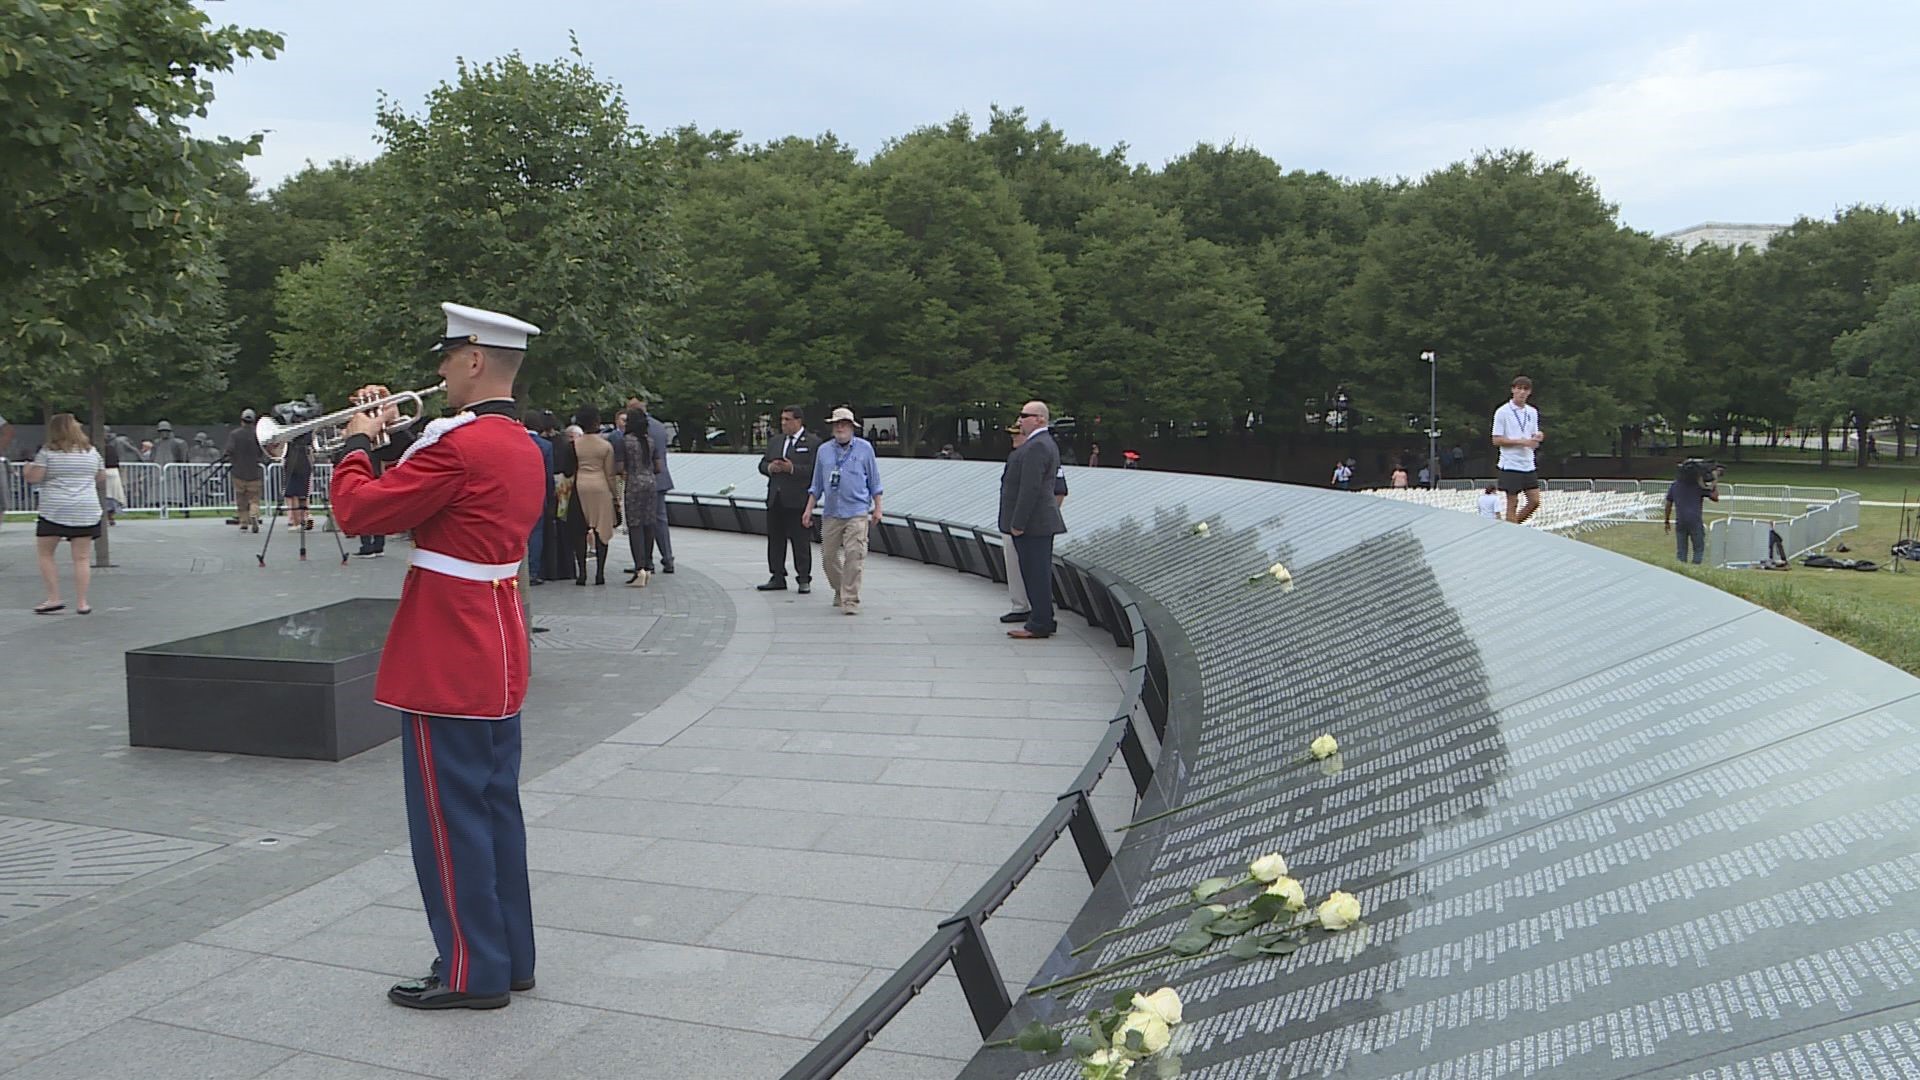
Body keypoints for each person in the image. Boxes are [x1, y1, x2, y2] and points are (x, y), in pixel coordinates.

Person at [329, 301, 546, 1011]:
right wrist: (392, 438)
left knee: (448, 820)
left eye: (448, 358)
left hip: (448, 645)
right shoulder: (519, 443)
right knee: (492, 808)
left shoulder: (457, 445)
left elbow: (361, 512)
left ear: (476, 358)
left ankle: (469, 970)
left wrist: (355, 447)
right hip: (498, 640)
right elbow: (436, 501)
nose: (441, 371)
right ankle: (508, 955)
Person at [802, 407, 883, 615]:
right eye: (836, 424)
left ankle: (850, 599)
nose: (840, 427)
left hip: (857, 510)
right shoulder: (824, 451)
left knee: (854, 555)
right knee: (828, 557)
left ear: (852, 427)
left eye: (844, 424)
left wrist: (878, 508)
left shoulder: (865, 449)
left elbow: (874, 481)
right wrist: (809, 509)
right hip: (831, 512)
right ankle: (840, 589)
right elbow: (816, 484)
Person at [26, 414, 106, 615]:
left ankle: (54, 598)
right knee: (82, 558)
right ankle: (82, 602)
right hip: (85, 509)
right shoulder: (91, 452)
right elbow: (100, 476)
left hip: (55, 509)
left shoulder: (48, 453)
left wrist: (27, 469)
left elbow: (35, 478)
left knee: (46, 554)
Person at [1000, 401, 1067, 640]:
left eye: (1024, 416)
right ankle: (1041, 619)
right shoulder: (1038, 444)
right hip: (1036, 523)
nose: (1019, 421)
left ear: (1039, 418)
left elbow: (1031, 488)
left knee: (1035, 572)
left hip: (1034, 524)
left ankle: (1039, 623)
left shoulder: (1038, 446)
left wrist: (1018, 523)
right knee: (1033, 572)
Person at [757, 405, 817, 593]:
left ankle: (804, 578)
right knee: (775, 539)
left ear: (798, 421)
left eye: (787, 420)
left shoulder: (813, 443)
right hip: (776, 497)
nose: (783, 423)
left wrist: (792, 469)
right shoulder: (776, 441)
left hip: (798, 500)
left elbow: (815, 471)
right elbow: (762, 464)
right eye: (782, 419)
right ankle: (777, 575)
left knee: (800, 541)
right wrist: (770, 468)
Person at [567, 405, 617, 586]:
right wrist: (615, 496)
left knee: (579, 532)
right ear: (596, 422)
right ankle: (600, 573)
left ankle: (582, 573)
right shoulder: (606, 446)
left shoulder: (574, 445)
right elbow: (610, 474)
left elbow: (568, 470)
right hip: (600, 487)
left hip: (579, 486)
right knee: (601, 531)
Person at [626, 396, 675, 575]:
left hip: (639, 482)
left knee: (641, 522)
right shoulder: (659, 427)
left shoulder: (637, 432)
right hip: (659, 479)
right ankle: (667, 558)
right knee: (659, 521)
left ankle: (645, 561)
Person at [1491, 375, 1544, 524]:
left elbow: (1533, 435)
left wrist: (1537, 437)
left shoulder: (1532, 412)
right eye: (1519, 388)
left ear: (1529, 392)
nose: (1522, 392)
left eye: (1525, 389)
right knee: (1512, 504)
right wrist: (1520, 442)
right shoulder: (1502, 412)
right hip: (1510, 464)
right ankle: (1512, 531)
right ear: (1513, 390)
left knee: (1534, 501)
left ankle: (1513, 528)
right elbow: (1496, 439)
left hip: (1528, 463)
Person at [618, 411, 658, 587]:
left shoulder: (626, 441)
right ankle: (648, 565)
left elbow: (619, 467)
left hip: (634, 484)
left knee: (635, 526)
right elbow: (658, 466)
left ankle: (639, 568)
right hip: (651, 483)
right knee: (649, 524)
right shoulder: (650, 441)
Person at [1664, 462, 1722, 565]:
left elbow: (1668, 504)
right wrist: (1715, 480)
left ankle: (1681, 570)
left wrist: (1667, 520)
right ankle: (1695, 567)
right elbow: (1715, 497)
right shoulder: (1698, 486)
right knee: (1698, 549)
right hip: (1695, 521)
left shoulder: (1675, 486)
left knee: (1681, 551)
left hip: (1680, 521)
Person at [524, 414, 554, 585]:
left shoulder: (517, 441)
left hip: (516, 494)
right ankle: (533, 572)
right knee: (536, 533)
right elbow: (548, 476)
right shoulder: (546, 446)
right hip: (537, 493)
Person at [226, 409, 266, 533]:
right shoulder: (258, 435)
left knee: (241, 499)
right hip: (254, 472)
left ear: (242, 420)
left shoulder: (234, 434)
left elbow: (229, 451)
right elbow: (263, 452)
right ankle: (254, 514)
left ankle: (243, 522)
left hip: (238, 472)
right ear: (254, 421)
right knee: (254, 498)